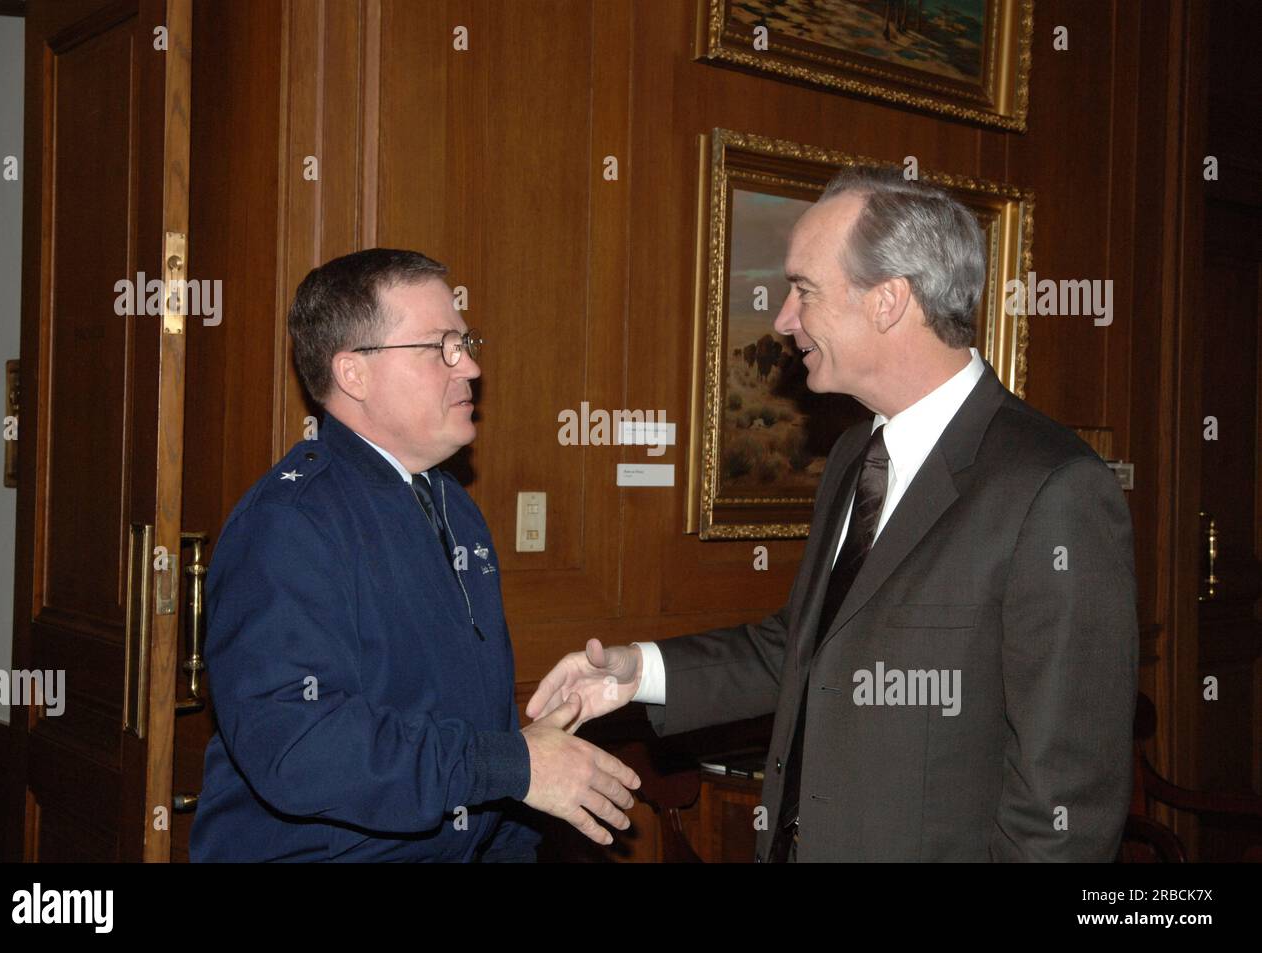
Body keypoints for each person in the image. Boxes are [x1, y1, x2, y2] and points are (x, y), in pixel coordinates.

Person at [527, 167, 1139, 862]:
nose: (784, 318)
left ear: (889, 301)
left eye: (805, 290)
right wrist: (637, 672)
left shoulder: (1052, 488)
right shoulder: (854, 455)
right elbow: (803, 648)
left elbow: (1068, 809)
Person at [191, 248, 639, 862]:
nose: (472, 367)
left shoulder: (456, 508)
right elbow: (297, 743)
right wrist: (513, 764)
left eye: (467, 341)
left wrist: (516, 795)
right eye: (441, 347)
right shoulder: (287, 525)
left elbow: (482, 725)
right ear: (354, 374)